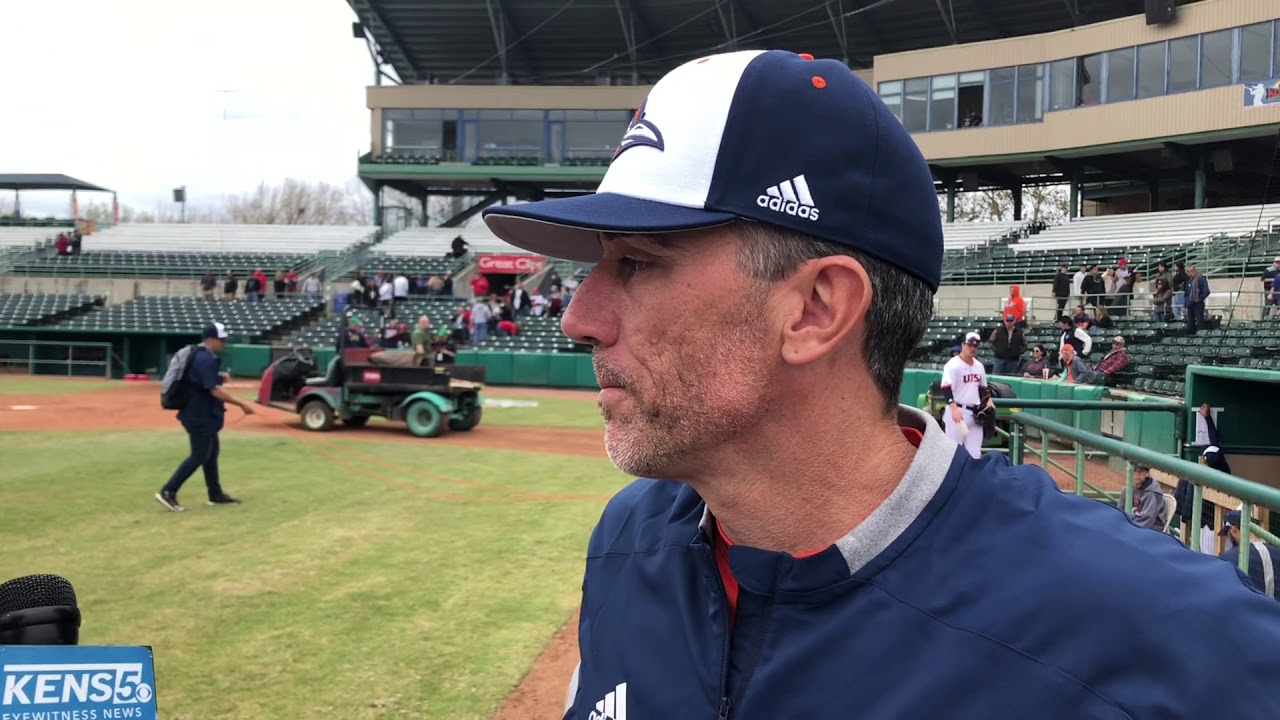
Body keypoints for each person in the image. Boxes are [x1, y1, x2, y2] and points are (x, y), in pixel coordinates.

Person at [480, 49, 1280, 719]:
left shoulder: (1160, 637)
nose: (581, 315)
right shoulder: (628, 540)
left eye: (637, 263)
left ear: (817, 309)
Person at [155, 322, 253, 512]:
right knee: (199, 455)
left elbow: (203, 379)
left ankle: (215, 493)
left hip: (202, 413)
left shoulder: (202, 356)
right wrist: (242, 404)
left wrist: (219, 375)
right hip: (199, 415)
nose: (223, 343)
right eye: (220, 339)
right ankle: (168, 491)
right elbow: (215, 391)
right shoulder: (205, 359)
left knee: (211, 453)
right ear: (209, 339)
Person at [941, 331, 994, 459]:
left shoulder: (979, 366)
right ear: (962, 345)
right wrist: (953, 409)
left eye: (975, 346)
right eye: (969, 345)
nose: (972, 348)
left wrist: (989, 401)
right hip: (957, 412)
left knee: (975, 455)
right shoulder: (953, 365)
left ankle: (972, 479)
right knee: (953, 454)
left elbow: (983, 388)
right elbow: (946, 388)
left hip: (975, 414)